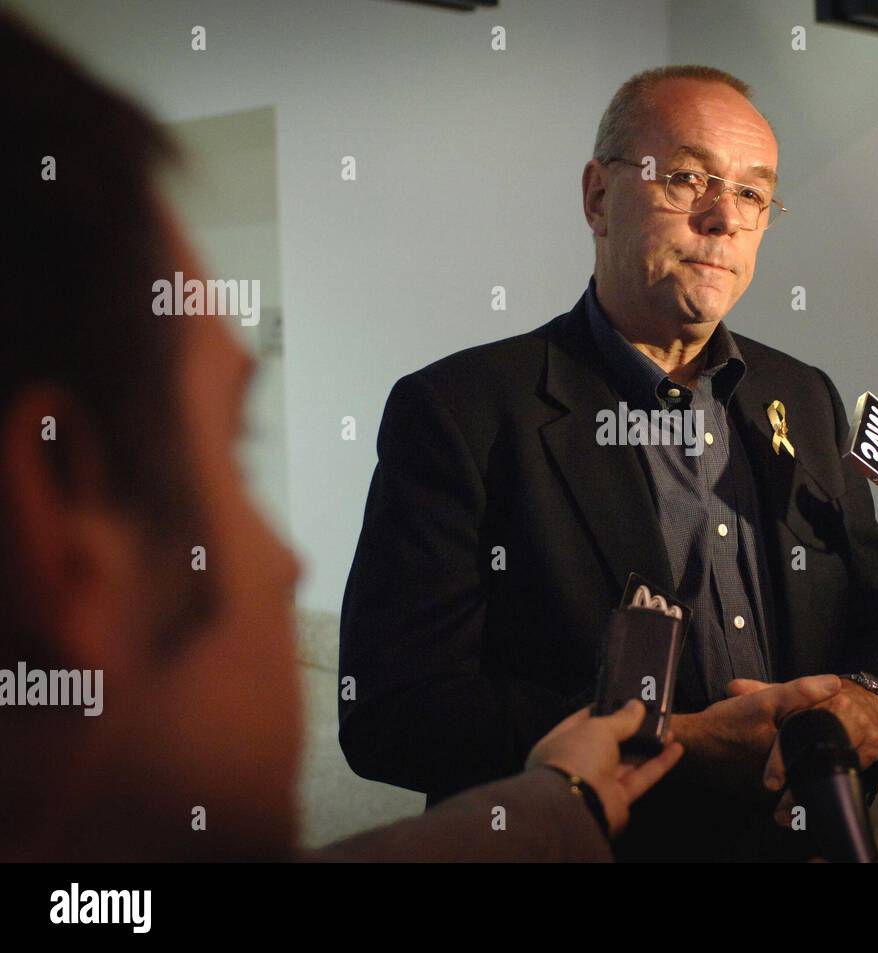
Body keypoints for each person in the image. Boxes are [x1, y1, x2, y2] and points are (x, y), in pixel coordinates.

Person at [0, 7, 681, 863]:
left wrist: (561, 800)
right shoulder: (460, 404)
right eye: (230, 447)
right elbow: (400, 707)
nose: (291, 563)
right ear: (55, 530)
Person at [339, 65, 878, 861]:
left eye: (754, 194)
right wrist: (671, 738)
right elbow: (392, 710)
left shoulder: (806, 397)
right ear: (597, 197)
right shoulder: (462, 410)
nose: (724, 218)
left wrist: (865, 705)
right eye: (687, 178)